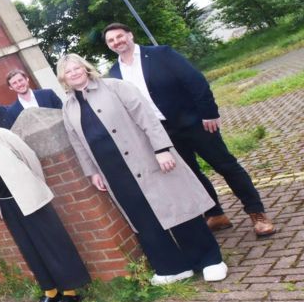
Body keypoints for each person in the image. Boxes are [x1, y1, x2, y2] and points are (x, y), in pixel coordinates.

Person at [57, 53, 228, 285]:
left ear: (86, 68)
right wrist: (93, 172)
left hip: (147, 160)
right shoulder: (68, 108)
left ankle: (209, 260)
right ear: (63, 78)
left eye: (77, 68)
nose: (74, 73)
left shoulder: (116, 87)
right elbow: (78, 144)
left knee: (176, 208)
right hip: (114, 172)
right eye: (68, 71)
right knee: (144, 220)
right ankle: (172, 268)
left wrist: (162, 149)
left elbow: (147, 117)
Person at [102, 22, 276, 237]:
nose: (117, 42)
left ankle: (256, 213)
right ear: (108, 46)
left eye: (120, 36)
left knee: (226, 166)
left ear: (130, 35)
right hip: (163, 132)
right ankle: (216, 214)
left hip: (195, 123)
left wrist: (209, 112)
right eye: (111, 40)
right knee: (191, 175)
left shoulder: (161, 54)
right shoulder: (114, 72)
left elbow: (195, 81)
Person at [0, 108, 89, 302]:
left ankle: (70, 292)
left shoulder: (2, 135)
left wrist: (36, 188)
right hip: (8, 205)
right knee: (30, 249)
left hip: (30, 199)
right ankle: (51, 291)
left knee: (51, 245)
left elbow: (30, 157)